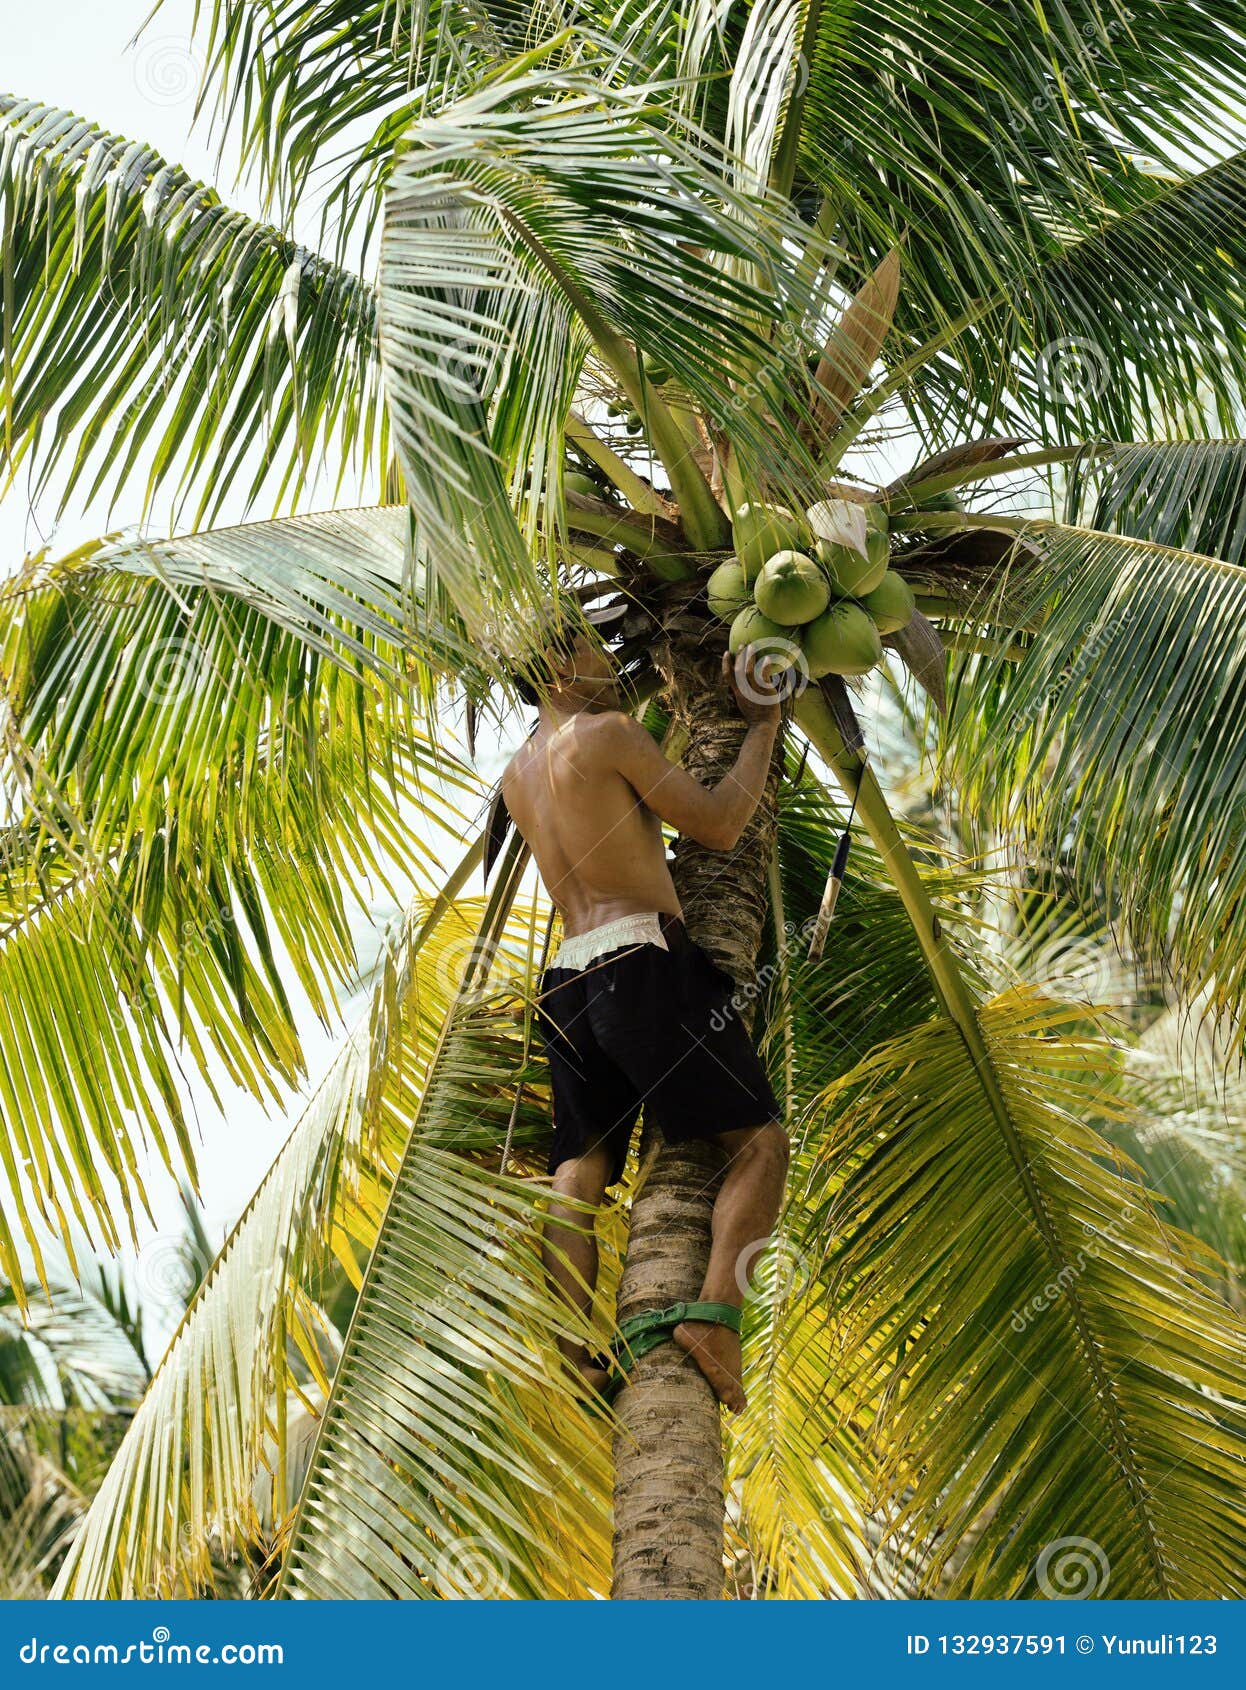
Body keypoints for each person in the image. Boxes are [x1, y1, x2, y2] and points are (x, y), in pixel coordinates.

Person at [501, 614, 790, 1413]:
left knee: (578, 1171)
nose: (608, 660)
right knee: (762, 1145)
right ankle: (717, 1318)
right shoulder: (609, 734)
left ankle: (573, 1352)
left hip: (565, 980)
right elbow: (722, 824)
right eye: (590, 646)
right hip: (639, 963)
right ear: (557, 666)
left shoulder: (517, 775)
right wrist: (761, 728)